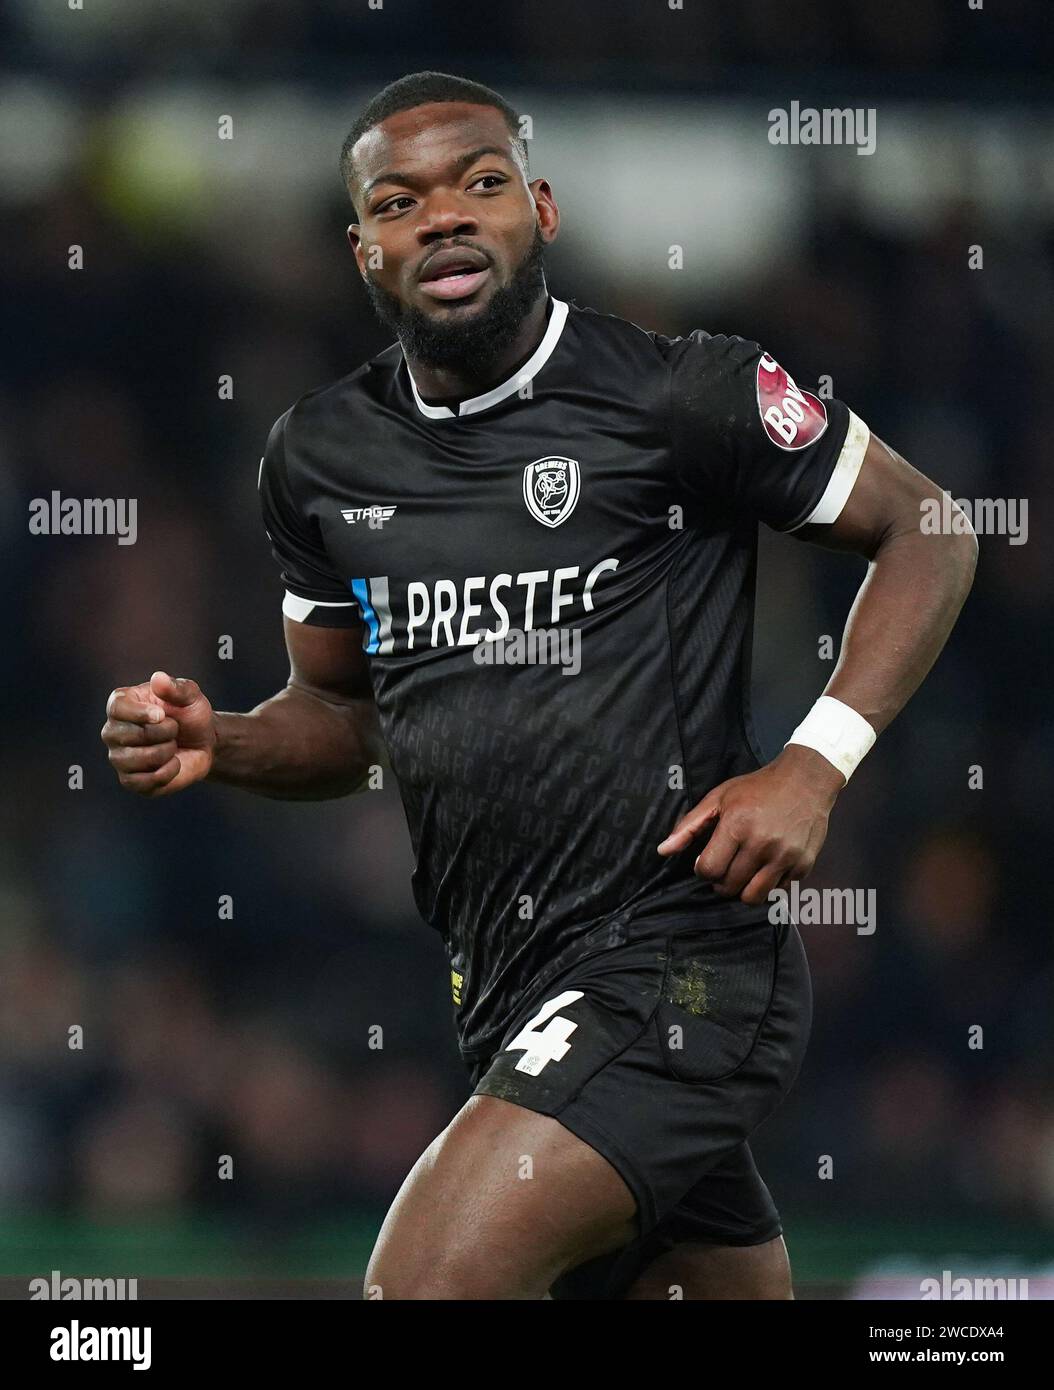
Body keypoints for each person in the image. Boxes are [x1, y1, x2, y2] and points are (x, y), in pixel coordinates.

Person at [100, 71, 977, 1300]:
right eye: (400, 202)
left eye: (481, 183)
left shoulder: (681, 393)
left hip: (674, 968)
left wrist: (814, 760)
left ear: (542, 211)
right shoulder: (318, 457)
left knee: (427, 1285)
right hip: (506, 991)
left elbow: (931, 528)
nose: (445, 217)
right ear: (364, 250)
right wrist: (226, 740)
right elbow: (351, 723)